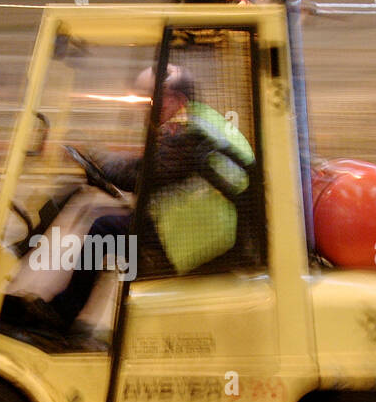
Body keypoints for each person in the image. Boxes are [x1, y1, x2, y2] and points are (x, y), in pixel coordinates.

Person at [21, 64, 256, 332]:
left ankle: (62, 314)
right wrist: (101, 163)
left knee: (104, 231)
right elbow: (151, 167)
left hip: (201, 236)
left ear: (177, 99)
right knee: (112, 223)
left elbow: (140, 177)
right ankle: (70, 313)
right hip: (207, 226)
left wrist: (98, 159)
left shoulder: (189, 130)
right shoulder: (201, 122)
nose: (148, 109)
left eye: (154, 100)